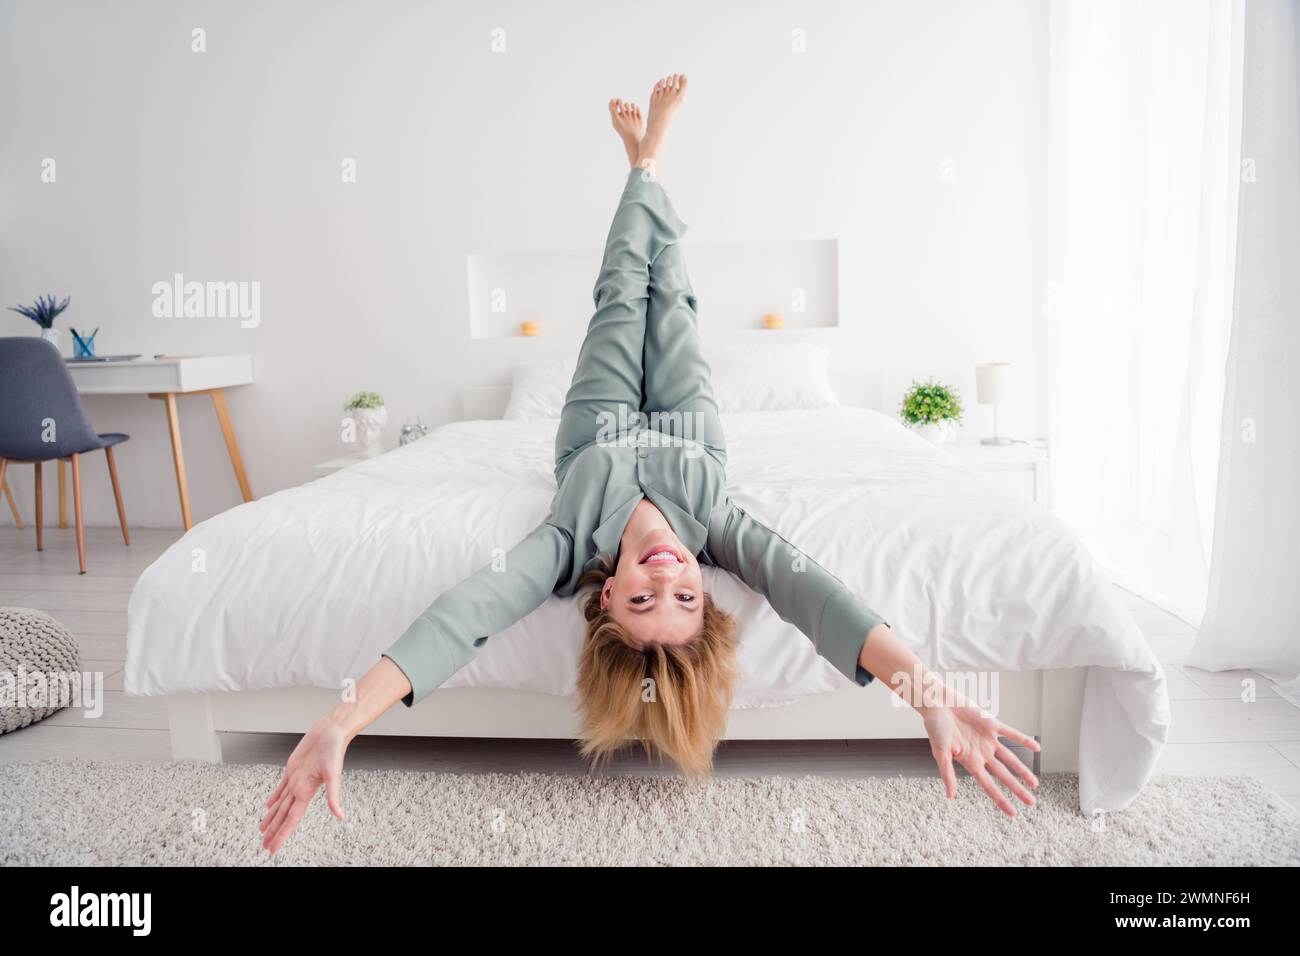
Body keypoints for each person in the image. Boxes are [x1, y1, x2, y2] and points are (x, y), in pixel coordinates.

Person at [260, 74, 1039, 855]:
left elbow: (464, 615)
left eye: (641, 598)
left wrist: (341, 720)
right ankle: (649, 166)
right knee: (672, 299)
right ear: (707, 597)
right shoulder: (717, 526)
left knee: (619, 299)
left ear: (603, 601)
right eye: (685, 598)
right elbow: (817, 597)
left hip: (593, 429)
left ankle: (643, 166)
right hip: (691, 428)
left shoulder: (567, 545)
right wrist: (929, 696)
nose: (666, 573)